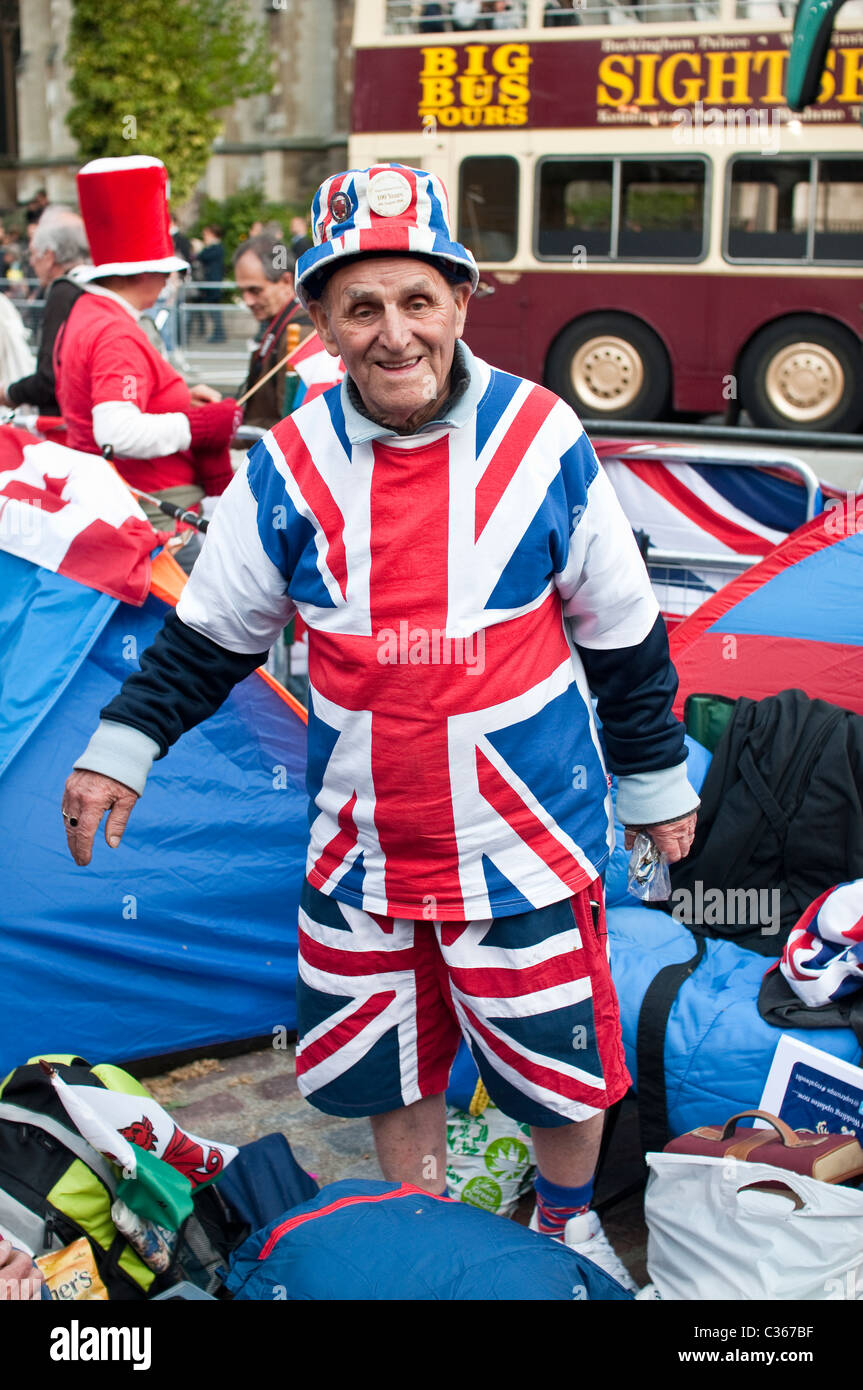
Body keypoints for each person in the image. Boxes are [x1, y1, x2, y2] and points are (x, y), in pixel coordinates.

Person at [61, 164, 698, 1290]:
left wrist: (654, 778)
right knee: (378, 1058)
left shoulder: (543, 434)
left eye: (416, 300)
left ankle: (566, 1222)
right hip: (358, 842)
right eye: (361, 307)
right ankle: (418, 1219)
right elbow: (212, 634)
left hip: (523, 834)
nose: (393, 333)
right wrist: (124, 745)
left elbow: (623, 630)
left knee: (557, 1059)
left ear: (458, 299)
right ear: (320, 323)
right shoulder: (293, 457)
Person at [53, 156, 240, 568]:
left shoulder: (91, 315)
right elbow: (115, 431)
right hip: (158, 512)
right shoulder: (114, 331)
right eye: (165, 272)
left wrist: (178, 397)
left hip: (135, 501)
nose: (168, 281)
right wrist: (199, 426)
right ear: (144, 274)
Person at [0, 206, 90, 415]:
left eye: (33, 254)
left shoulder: (64, 291)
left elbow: (50, 377)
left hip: (69, 420)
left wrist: (9, 393)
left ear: (49, 256)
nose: (31, 262)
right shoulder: (90, 285)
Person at [233, 233, 312, 430]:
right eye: (242, 291)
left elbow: (291, 423)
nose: (247, 301)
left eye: (255, 290)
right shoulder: (282, 323)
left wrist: (231, 429)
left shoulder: (299, 332)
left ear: (286, 282)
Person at [195, 225, 226, 343]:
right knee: (213, 310)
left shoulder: (216, 248)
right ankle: (218, 333)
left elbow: (202, 256)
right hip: (210, 283)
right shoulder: (214, 248)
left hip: (214, 283)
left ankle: (219, 334)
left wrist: (200, 248)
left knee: (215, 310)